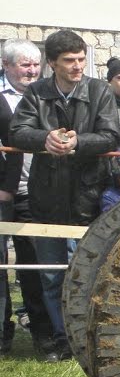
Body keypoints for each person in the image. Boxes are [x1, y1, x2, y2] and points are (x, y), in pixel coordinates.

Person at [10, 30, 120, 360]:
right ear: (52, 63)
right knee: (49, 274)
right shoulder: (37, 92)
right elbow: (18, 131)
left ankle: (84, 340)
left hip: (86, 197)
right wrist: (46, 138)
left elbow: (111, 136)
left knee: (83, 273)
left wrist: (77, 143)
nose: (77, 66)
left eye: (81, 59)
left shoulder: (99, 90)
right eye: (69, 61)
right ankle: (61, 339)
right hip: (45, 198)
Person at [0, 40, 59, 359]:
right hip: (4, 191)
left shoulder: (47, 96)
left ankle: (42, 334)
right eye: (24, 65)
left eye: (36, 64)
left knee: (34, 267)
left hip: (35, 194)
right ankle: (3, 333)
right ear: (7, 66)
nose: (31, 70)